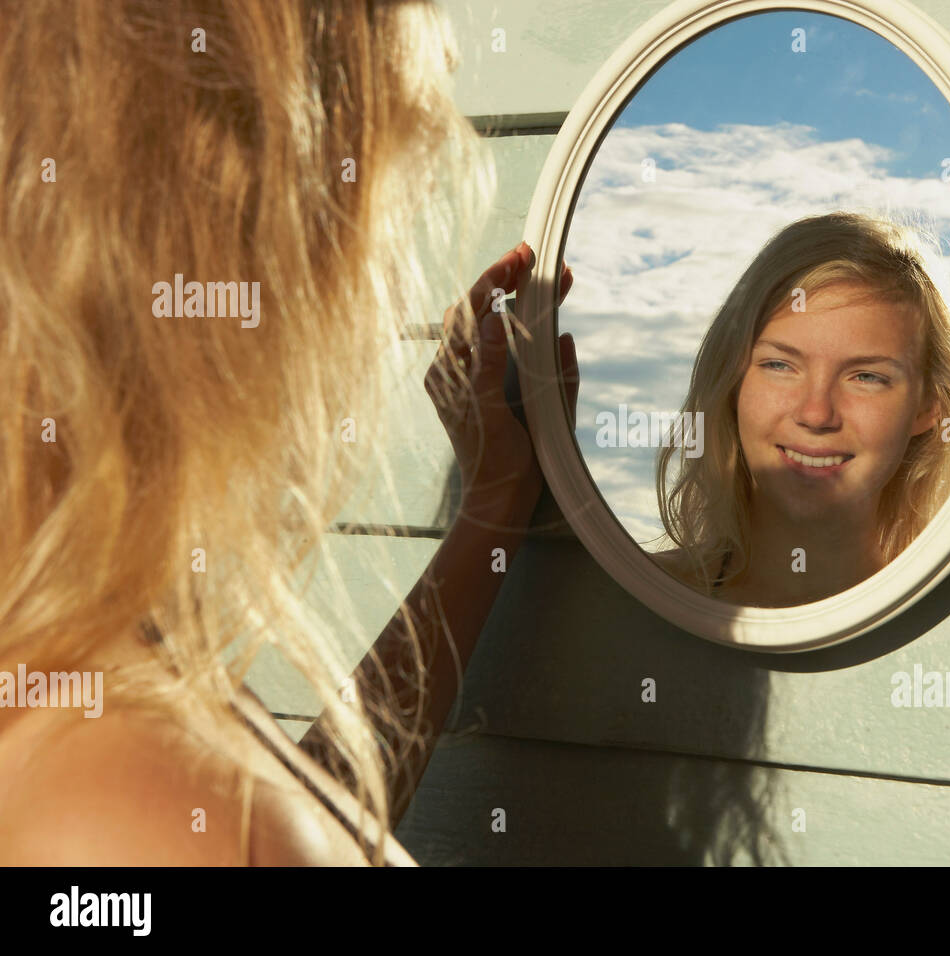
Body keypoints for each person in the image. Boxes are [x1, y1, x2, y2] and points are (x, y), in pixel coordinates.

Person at [0, 1, 570, 865]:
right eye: (388, 187)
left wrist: (492, 504)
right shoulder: (131, 803)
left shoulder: (68, 652)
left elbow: (295, 803)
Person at [648, 212, 950, 607]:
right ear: (732, 381)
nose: (816, 414)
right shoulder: (631, 595)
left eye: (866, 377)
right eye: (779, 365)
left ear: (929, 406)